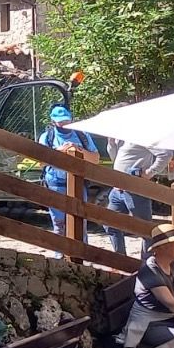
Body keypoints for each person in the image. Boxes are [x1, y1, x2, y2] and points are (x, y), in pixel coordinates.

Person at [38, 105, 99, 251]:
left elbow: (95, 158)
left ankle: (81, 253)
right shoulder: (47, 137)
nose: (64, 124)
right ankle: (59, 256)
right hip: (55, 182)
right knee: (59, 222)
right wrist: (58, 151)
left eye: (66, 120)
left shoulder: (82, 135)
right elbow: (41, 162)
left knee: (80, 222)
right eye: (60, 122)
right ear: (53, 121)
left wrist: (78, 150)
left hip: (79, 184)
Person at [104, 138, 172, 255]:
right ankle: (120, 258)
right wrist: (111, 143)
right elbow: (115, 158)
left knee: (145, 229)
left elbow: (166, 154)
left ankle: (148, 263)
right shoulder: (120, 137)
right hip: (117, 188)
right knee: (109, 223)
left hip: (135, 190)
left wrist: (149, 172)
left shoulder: (141, 135)